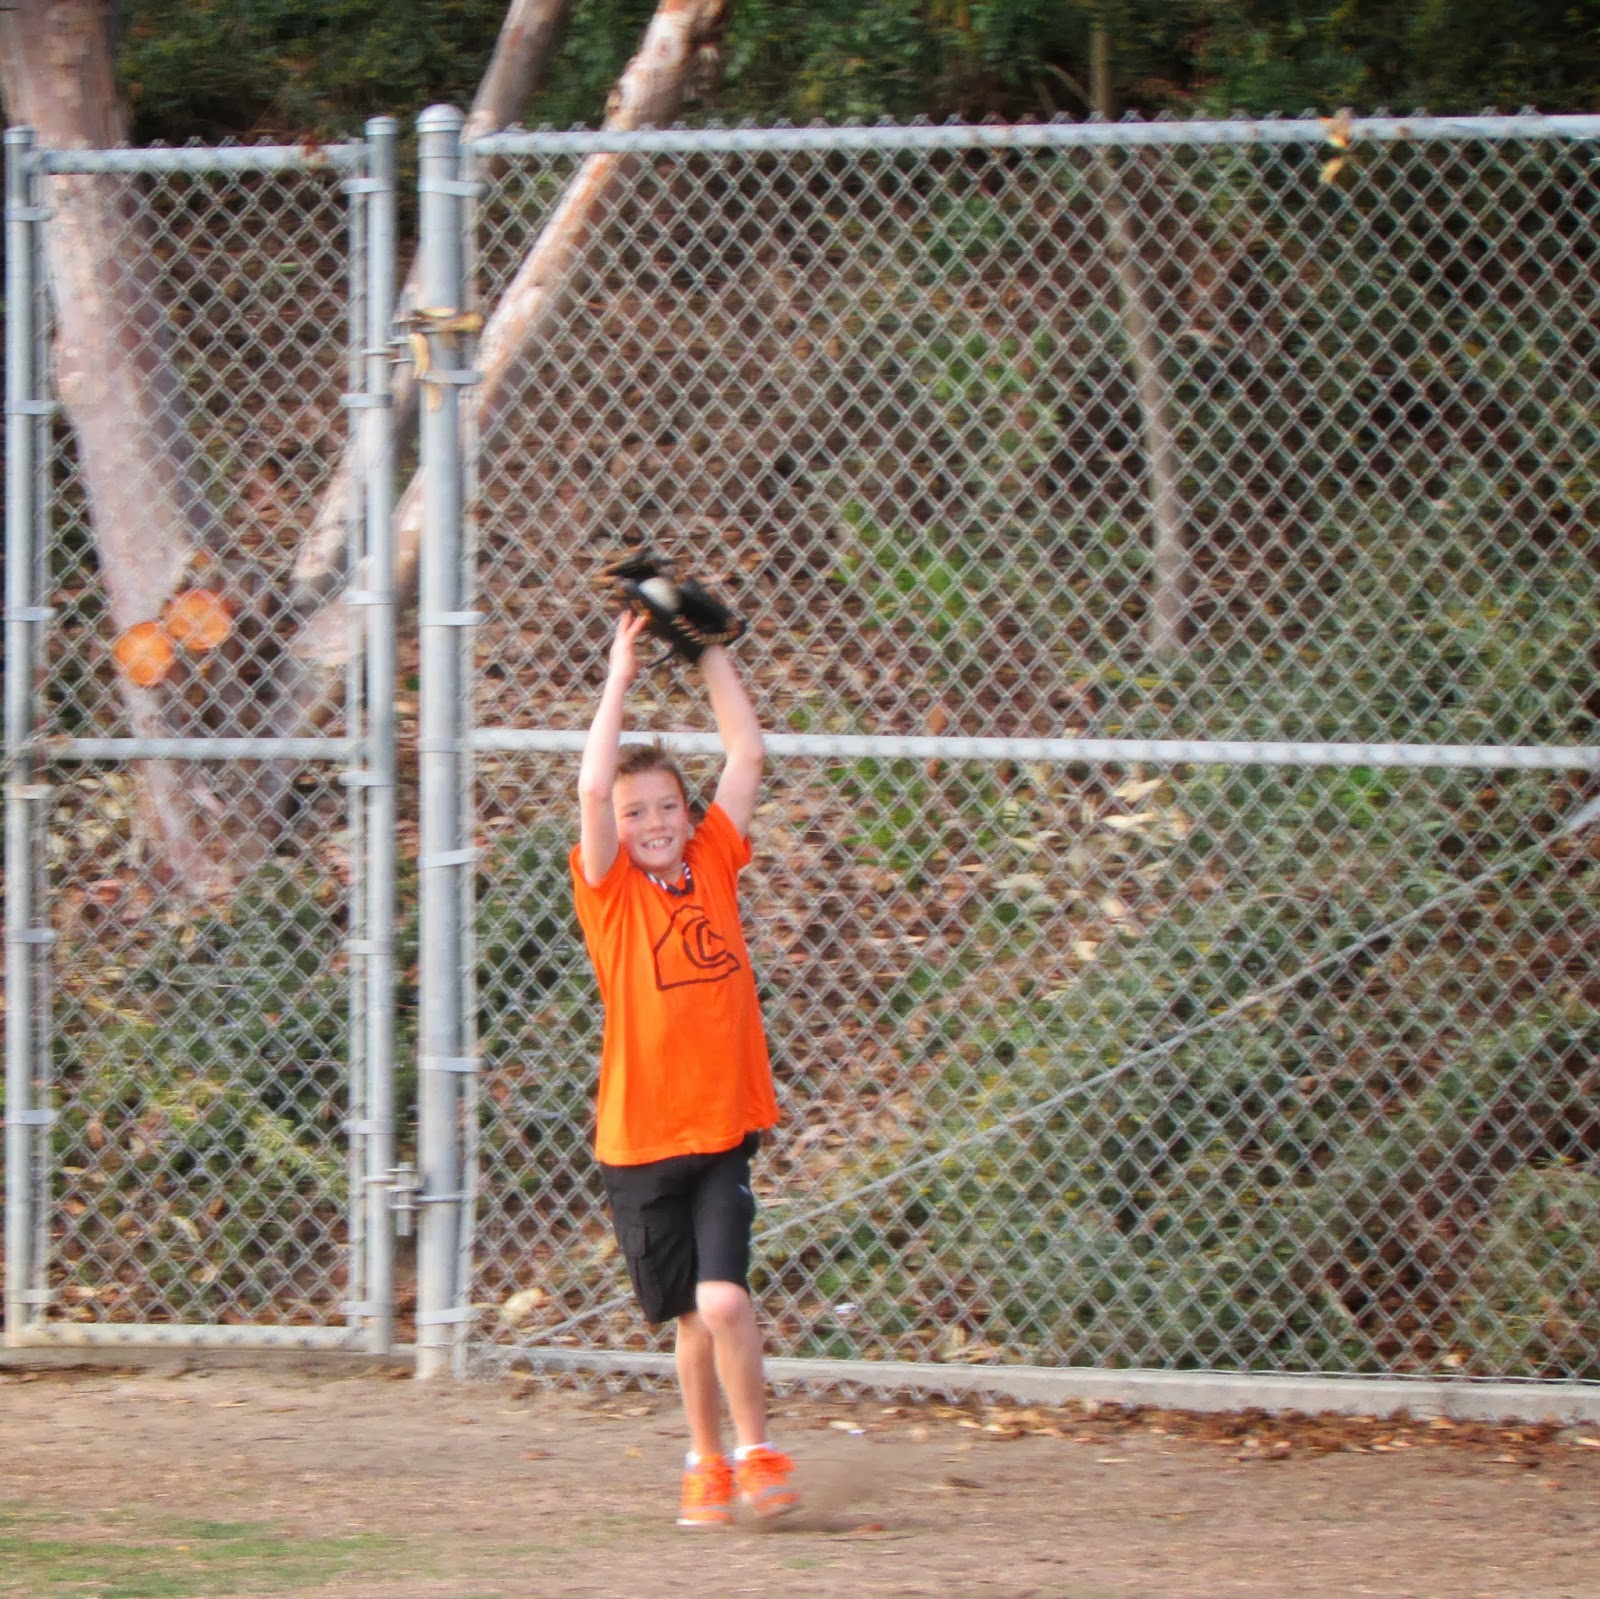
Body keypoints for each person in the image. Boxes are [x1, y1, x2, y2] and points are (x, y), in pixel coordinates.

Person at [570, 608, 799, 1529]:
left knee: (724, 1297)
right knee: (691, 1321)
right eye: (639, 814)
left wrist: (707, 651)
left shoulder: (712, 859)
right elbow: (592, 792)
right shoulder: (610, 890)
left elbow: (745, 751)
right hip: (641, 1143)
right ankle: (703, 1456)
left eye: (668, 805)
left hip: (721, 1128)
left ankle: (757, 1449)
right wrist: (620, 675)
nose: (656, 822)